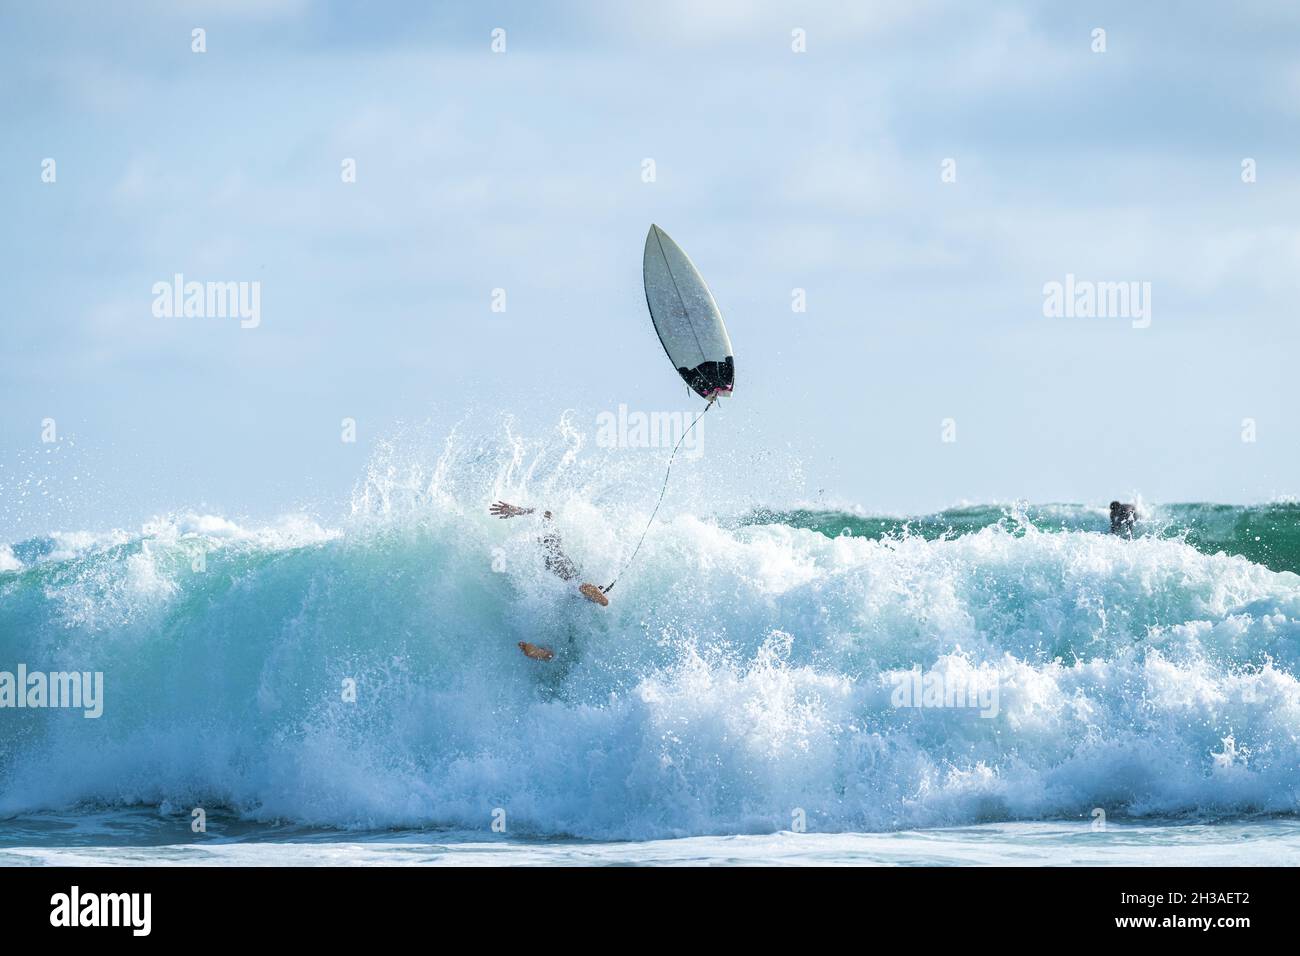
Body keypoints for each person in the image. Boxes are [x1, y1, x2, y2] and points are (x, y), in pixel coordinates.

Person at [490, 501, 607, 660]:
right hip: (564, 577)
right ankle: (595, 596)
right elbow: (546, 513)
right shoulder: (552, 546)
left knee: (557, 642)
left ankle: (545, 653)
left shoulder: (545, 554)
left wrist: (517, 511)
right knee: (574, 585)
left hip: (556, 583)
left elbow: (546, 514)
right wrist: (518, 511)